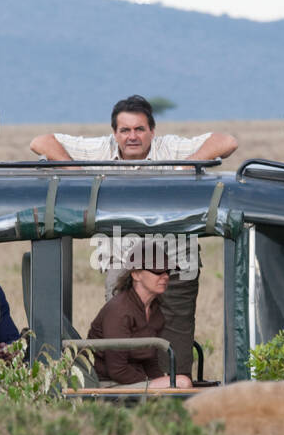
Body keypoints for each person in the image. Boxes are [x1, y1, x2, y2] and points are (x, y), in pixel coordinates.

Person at [29, 95, 238, 383]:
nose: (132, 136)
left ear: (153, 130)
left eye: (139, 129)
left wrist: (186, 167)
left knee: (173, 351)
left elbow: (226, 141)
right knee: (123, 344)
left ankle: (171, 398)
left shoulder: (170, 148)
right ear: (114, 133)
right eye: (125, 130)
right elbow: (41, 142)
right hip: (122, 266)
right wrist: (76, 173)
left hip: (175, 266)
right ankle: (131, 404)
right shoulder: (100, 149)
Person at [86, 245, 193, 389]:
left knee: (176, 383)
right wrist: (152, 382)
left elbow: (150, 361)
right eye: (157, 271)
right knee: (182, 383)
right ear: (135, 274)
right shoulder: (120, 311)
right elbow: (117, 370)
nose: (166, 276)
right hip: (106, 384)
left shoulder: (155, 311)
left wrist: (159, 380)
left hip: (131, 379)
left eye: (167, 271)